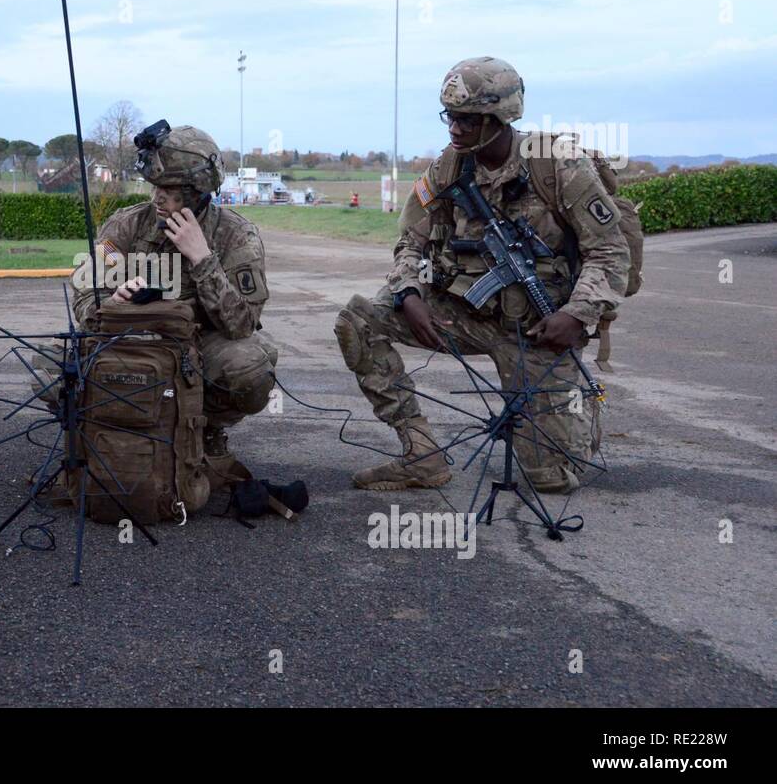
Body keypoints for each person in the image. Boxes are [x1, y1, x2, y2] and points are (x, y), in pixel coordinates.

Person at [333, 57, 630, 493]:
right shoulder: (449, 167)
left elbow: (610, 252)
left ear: (500, 117)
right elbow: (409, 243)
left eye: (467, 120)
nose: (454, 129)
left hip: (538, 330)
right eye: (450, 117)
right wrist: (409, 292)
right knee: (357, 321)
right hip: (464, 314)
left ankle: (578, 408)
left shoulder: (557, 165)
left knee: (552, 480)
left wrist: (576, 314)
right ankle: (421, 453)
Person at [73, 122, 278, 477]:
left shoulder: (235, 236)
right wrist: (108, 304)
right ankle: (112, 432)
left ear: (197, 191)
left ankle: (205, 429)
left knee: (250, 370)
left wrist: (203, 259)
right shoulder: (127, 225)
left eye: (169, 190)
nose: (158, 198)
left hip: (199, 346)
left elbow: (242, 324)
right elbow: (84, 288)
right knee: (51, 370)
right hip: (132, 342)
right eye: (156, 188)